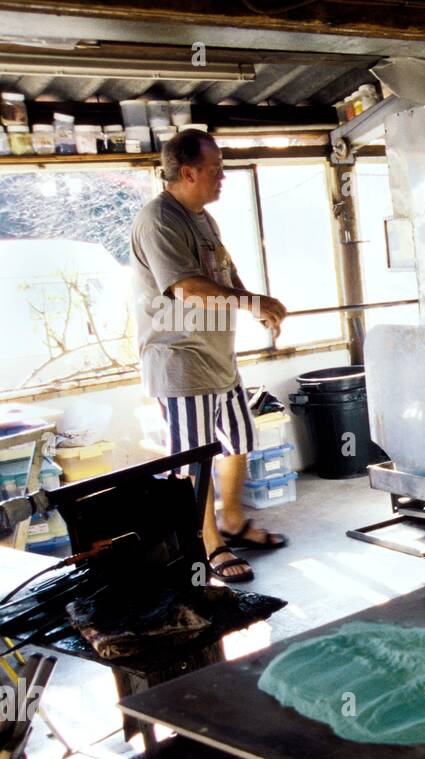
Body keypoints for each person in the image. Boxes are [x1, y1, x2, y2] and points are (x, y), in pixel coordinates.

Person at [130, 129, 289, 582]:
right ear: (187, 172)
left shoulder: (201, 217)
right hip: (180, 361)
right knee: (194, 461)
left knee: (239, 441)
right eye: (216, 170)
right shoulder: (159, 219)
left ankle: (232, 519)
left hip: (218, 358)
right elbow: (187, 287)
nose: (223, 178)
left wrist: (251, 301)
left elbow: (223, 271)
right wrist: (252, 302)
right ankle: (207, 543)